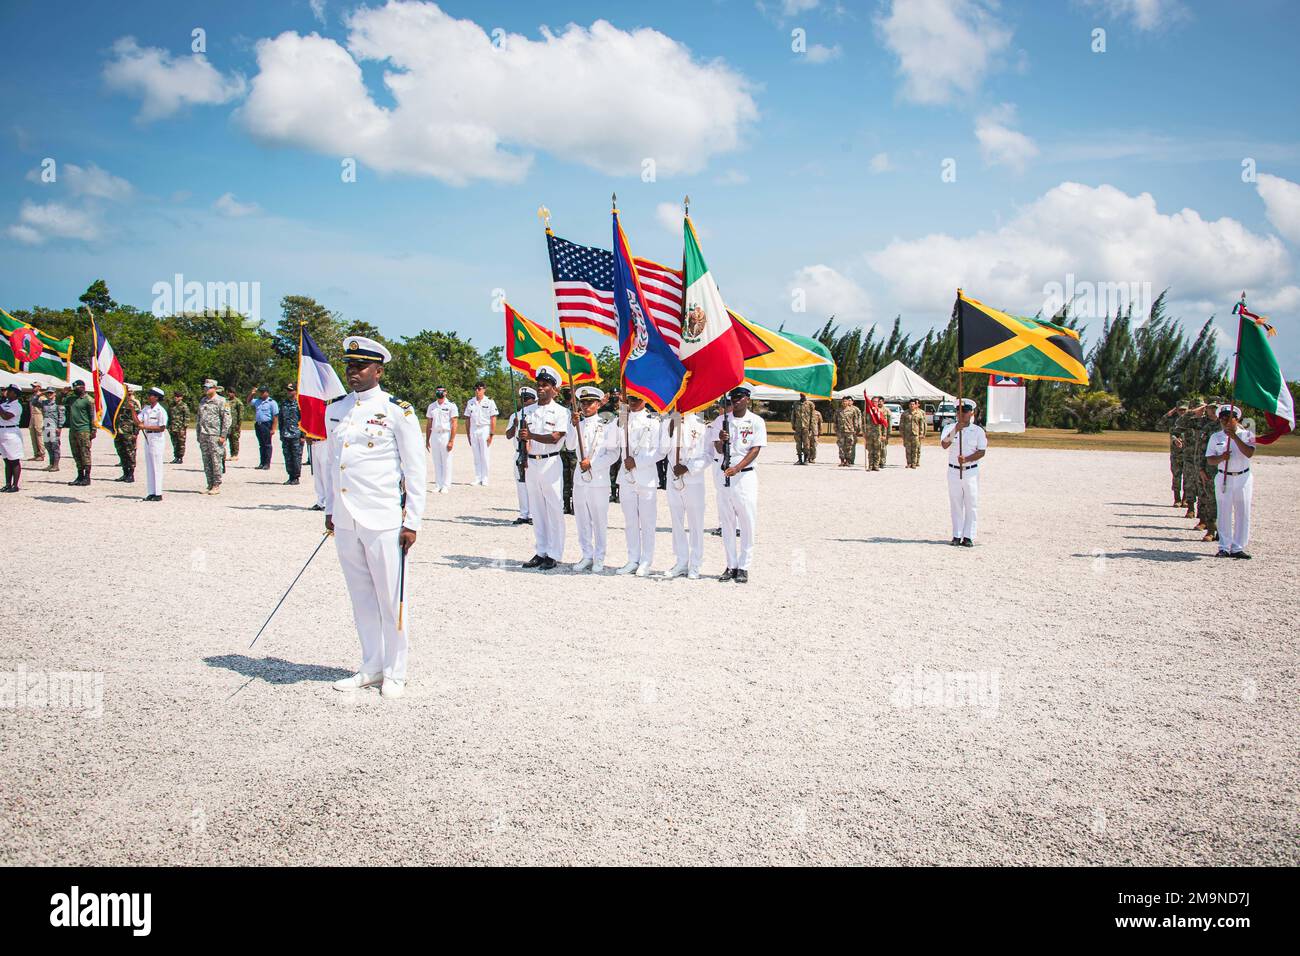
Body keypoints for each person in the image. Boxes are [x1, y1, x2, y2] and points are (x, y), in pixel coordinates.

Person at [324, 336, 427, 700]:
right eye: (350, 366)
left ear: (379, 370)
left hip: (383, 517)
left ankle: (396, 672)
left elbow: (415, 469)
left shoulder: (397, 410)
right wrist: (329, 508)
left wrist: (412, 520)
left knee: (391, 597)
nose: (353, 372)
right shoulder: (335, 408)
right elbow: (330, 463)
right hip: (346, 518)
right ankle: (371, 665)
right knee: (361, 597)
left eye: (361, 366)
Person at [710, 385, 767, 582]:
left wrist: (738, 467)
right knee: (727, 522)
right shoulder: (721, 421)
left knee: (747, 521)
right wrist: (720, 440)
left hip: (745, 477)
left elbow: (755, 449)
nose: (736, 400)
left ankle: (744, 566)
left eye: (740, 397)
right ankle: (731, 564)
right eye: (733, 397)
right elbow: (716, 449)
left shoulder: (756, 421)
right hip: (724, 475)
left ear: (748, 399)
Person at [566, 385, 622, 572]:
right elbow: (570, 445)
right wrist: (573, 426)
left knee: (599, 520)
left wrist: (593, 464)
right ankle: (586, 554)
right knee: (581, 519)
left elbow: (614, 454)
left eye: (590, 402)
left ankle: (599, 556)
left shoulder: (608, 425)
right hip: (580, 480)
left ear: (598, 404)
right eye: (583, 402)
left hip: (598, 480)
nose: (585, 406)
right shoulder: (578, 424)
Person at [518, 367, 568, 569]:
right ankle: (541, 551)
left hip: (551, 462)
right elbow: (521, 437)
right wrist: (525, 449)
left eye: (545, 385)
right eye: (538, 385)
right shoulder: (527, 411)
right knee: (537, 510)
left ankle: (554, 553)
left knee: (554, 508)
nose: (540, 388)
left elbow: (555, 437)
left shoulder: (560, 412)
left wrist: (531, 436)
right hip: (532, 462)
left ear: (554, 389)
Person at [617, 393, 668, 576]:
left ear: (645, 400)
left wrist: (638, 462)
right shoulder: (622, 420)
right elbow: (613, 444)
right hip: (626, 477)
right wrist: (621, 416)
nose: (633, 402)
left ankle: (646, 560)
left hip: (646, 477)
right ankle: (632, 559)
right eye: (630, 399)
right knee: (630, 522)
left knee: (647, 522)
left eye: (637, 399)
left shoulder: (654, 421)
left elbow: (661, 451)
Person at [664, 409, 712, 580]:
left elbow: (708, 455)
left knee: (696, 523)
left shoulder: (701, 426)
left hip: (693, 480)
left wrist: (689, 467)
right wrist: (671, 427)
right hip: (674, 479)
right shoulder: (668, 423)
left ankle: (696, 563)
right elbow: (662, 450)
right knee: (677, 522)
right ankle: (681, 561)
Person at [1205, 404, 1255, 559]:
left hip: (1243, 478)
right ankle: (1224, 546)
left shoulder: (1247, 434)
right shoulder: (1216, 437)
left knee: (1243, 511)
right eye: (1223, 419)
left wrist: (1235, 437)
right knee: (1224, 511)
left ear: (1237, 419)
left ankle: (1238, 547)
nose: (1226, 422)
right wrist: (1221, 458)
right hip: (1223, 476)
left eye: (1229, 419)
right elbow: (1210, 460)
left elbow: (1249, 453)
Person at [941, 398, 987, 546]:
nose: (961, 414)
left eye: (965, 411)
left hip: (970, 472)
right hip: (954, 471)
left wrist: (967, 459)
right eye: (958, 411)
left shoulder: (978, 431)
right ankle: (957, 534)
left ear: (971, 413)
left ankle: (968, 536)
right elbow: (944, 444)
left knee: (971, 503)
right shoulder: (950, 428)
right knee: (956, 503)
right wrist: (956, 430)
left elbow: (981, 451)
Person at [504, 386, 536, 524]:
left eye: (528, 400)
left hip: (533, 454)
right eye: (523, 400)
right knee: (521, 484)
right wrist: (514, 425)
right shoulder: (514, 415)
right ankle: (524, 513)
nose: (525, 402)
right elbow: (508, 435)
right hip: (518, 453)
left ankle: (534, 514)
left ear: (534, 401)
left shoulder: (536, 415)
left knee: (533, 485)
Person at [197, 379, 231, 494]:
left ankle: (216, 484)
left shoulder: (222, 401)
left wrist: (223, 435)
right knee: (206, 461)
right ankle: (209, 484)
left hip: (215, 435)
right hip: (204, 434)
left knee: (216, 460)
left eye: (208, 387)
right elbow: (199, 418)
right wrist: (198, 434)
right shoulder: (203, 401)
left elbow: (227, 419)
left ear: (215, 388)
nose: (206, 389)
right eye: (205, 387)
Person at [135, 386, 169, 501]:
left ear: (156, 397)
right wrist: (131, 410)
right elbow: (138, 421)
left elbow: (162, 427)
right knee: (149, 466)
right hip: (148, 437)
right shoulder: (146, 408)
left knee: (157, 465)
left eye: (151, 395)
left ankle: (158, 493)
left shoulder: (160, 410)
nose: (149, 397)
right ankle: (151, 492)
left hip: (156, 438)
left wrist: (145, 426)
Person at [463, 381, 498, 486]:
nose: (477, 390)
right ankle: (478, 477)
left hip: (484, 428)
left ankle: (485, 478)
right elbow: (467, 418)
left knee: (485, 454)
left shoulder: (489, 402)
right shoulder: (471, 402)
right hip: (474, 429)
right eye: (476, 388)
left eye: (480, 388)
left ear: (484, 389)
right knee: (476, 455)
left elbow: (493, 418)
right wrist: (468, 434)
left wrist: (491, 434)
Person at [424, 386, 457, 493]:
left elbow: (454, 423)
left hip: (445, 434)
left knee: (446, 460)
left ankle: (446, 485)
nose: (439, 393)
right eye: (437, 391)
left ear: (446, 393)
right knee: (436, 460)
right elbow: (429, 423)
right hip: (434, 434)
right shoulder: (432, 406)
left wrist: (451, 440)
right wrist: (427, 439)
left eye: (442, 391)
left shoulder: (451, 406)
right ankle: (438, 484)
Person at [63, 380, 96, 486]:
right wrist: (63, 393)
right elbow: (59, 401)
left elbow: (93, 416)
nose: (75, 390)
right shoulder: (72, 399)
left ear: (83, 388)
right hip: (73, 430)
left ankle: (87, 477)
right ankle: (80, 475)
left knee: (85, 453)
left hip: (84, 430)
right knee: (76, 453)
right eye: (74, 388)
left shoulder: (89, 400)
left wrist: (93, 430)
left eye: (77, 388)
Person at [1162, 402, 1188, 506]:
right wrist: (1169, 413)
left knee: (1188, 478)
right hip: (1176, 454)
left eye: (1184, 410)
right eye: (1180, 410)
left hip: (1188, 455)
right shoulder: (1173, 421)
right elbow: (1159, 425)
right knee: (1176, 477)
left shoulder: (1192, 422)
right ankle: (1177, 499)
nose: (1182, 412)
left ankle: (1185, 500)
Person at [279, 383, 304, 486]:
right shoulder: (284, 403)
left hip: (296, 435)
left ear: (295, 391)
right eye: (287, 390)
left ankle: (296, 477)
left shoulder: (299, 403)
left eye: (290, 390)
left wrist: (303, 435)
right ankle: (290, 476)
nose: (288, 392)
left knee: (296, 457)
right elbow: (281, 419)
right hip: (285, 434)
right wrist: (281, 433)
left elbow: (303, 420)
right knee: (287, 456)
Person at [0, 385, 24, 491]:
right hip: (2, 431)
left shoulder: (16, 406)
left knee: (14, 460)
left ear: (15, 393)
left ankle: (15, 485)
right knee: (6, 460)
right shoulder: (4, 404)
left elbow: (6, 416)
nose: (6, 392)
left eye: (9, 391)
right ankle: (8, 484)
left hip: (11, 432)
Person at [112, 390, 139, 483]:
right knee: (121, 452)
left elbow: (138, 419)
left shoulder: (133, 404)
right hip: (118, 431)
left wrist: (135, 433)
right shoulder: (116, 402)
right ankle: (125, 473)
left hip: (128, 432)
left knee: (130, 453)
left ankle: (131, 474)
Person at [248, 386, 278, 469]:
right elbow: (249, 401)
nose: (261, 393)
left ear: (267, 392)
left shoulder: (272, 402)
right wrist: (252, 393)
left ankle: (267, 463)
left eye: (263, 392)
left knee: (267, 444)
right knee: (261, 445)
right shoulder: (258, 401)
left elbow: (275, 416)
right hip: (258, 424)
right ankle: (262, 462)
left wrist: (273, 429)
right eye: (260, 392)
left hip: (267, 424)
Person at [38, 388, 63, 470]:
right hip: (46, 424)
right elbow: (33, 402)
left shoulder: (58, 403)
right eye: (48, 393)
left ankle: (56, 465)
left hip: (54, 425)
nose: (49, 394)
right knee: (48, 445)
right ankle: (51, 464)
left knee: (55, 446)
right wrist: (39, 394)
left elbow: (62, 416)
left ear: (55, 393)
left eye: (51, 393)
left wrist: (59, 427)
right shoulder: (44, 402)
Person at [834, 395, 861, 466]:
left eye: (846, 401)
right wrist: (836, 430)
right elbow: (835, 421)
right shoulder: (838, 410)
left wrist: (856, 429)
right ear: (842, 402)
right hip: (840, 431)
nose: (844, 402)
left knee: (849, 446)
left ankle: (848, 461)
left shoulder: (853, 410)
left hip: (849, 431)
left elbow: (855, 420)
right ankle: (842, 460)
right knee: (841, 447)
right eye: (843, 401)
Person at [901, 399, 927, 468]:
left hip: (916, 434)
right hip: (907, 434)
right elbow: (901, 424)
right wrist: (902, 433)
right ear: (909, 405)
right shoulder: (905, 413)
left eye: (913, 404)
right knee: (908, 449)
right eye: (910, 404)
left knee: (915, 449)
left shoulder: (919, 414)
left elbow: (921, 424)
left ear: (915, 405)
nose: (912, 405)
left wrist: (921, 433)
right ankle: (909, 463)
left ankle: (914, 463)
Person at [864, 396, 888, 471]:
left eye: (876, 401)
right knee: (870, 450)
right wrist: (864, 433)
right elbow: (863, 423)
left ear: (878, 403)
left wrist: (884, 435)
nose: (875, 403)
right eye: (873, 401)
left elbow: (884, 424)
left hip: (878, 434)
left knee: (877, 450)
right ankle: (870, 466)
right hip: (869, 434)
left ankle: (876, 465)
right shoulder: (867, 412)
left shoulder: (881, 412)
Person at [305, 437, 328, 510]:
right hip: (313, 441)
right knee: (317, 473)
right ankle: (320, 501)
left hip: (325, 441)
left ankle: (328, 502)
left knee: (325, 474)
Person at [791, 394, 813, 465]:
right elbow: (793, 415)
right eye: (801, 394)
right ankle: (799, 459)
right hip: (798, 426)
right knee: (798, 444)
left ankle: (806, 459)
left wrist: (811, 426)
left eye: (804, 394)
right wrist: (793, 424)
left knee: (806, 443)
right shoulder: (796, 403)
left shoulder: (810, 404)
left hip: (806, 427)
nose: (802, 395)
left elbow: (812, 416)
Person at [168, 391, 189, 463]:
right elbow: (169, 416)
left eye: (177, 396)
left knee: (181, 443)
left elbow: (186, 416)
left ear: (181, 397)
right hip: (172, 427)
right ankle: (176, 457)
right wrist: (168, 426)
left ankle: (180, 457)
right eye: (175, 396)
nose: (175, 398)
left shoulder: (184, 405)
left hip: (180, 428)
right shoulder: (171, 405)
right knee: (174, 443)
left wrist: (184, 426)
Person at [27, 386, 44, 463]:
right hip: (32, 416)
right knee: (33, 435)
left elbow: (44, 409)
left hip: (39, 415)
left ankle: (41, 454)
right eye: (32, 386)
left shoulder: (42, 397)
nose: (33, 387)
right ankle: (36, 454)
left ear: (39, 387)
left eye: (35, 386)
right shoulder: (32, 397)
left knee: (39, 435)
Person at [225, 390, 244, 461]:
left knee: (234, 440)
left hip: (234, 424)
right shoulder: (225, 401)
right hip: (227, 424)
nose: (229, 394)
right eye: (228, 392)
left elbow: (240, 414)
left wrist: (239, 425)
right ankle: (224, 454)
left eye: (231, 392)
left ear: (234, 393)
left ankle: (235, 455)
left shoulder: (238, 402)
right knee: (225, 439)